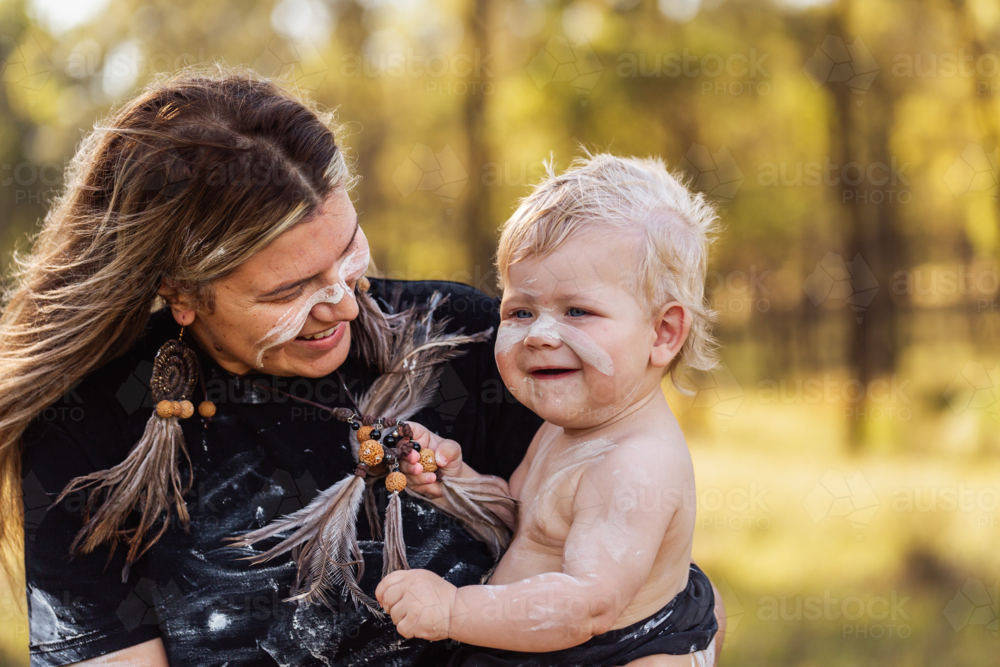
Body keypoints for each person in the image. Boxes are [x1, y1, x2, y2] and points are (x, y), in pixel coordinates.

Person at [1, 65, 544, 666]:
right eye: (289, 291)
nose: (343, 303)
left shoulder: (472, 340)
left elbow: (640, 599)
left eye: (347, 252)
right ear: (180, 292)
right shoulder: (90, 421)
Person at [377, 154, 726, 666]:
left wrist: (453, 610)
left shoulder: (634, 463)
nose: (539, 335)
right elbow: (525, 519)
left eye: (577, 311)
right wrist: (454, 482)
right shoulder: (565, 432)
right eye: (520, 311)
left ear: (663, 333)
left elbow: (585, 606)